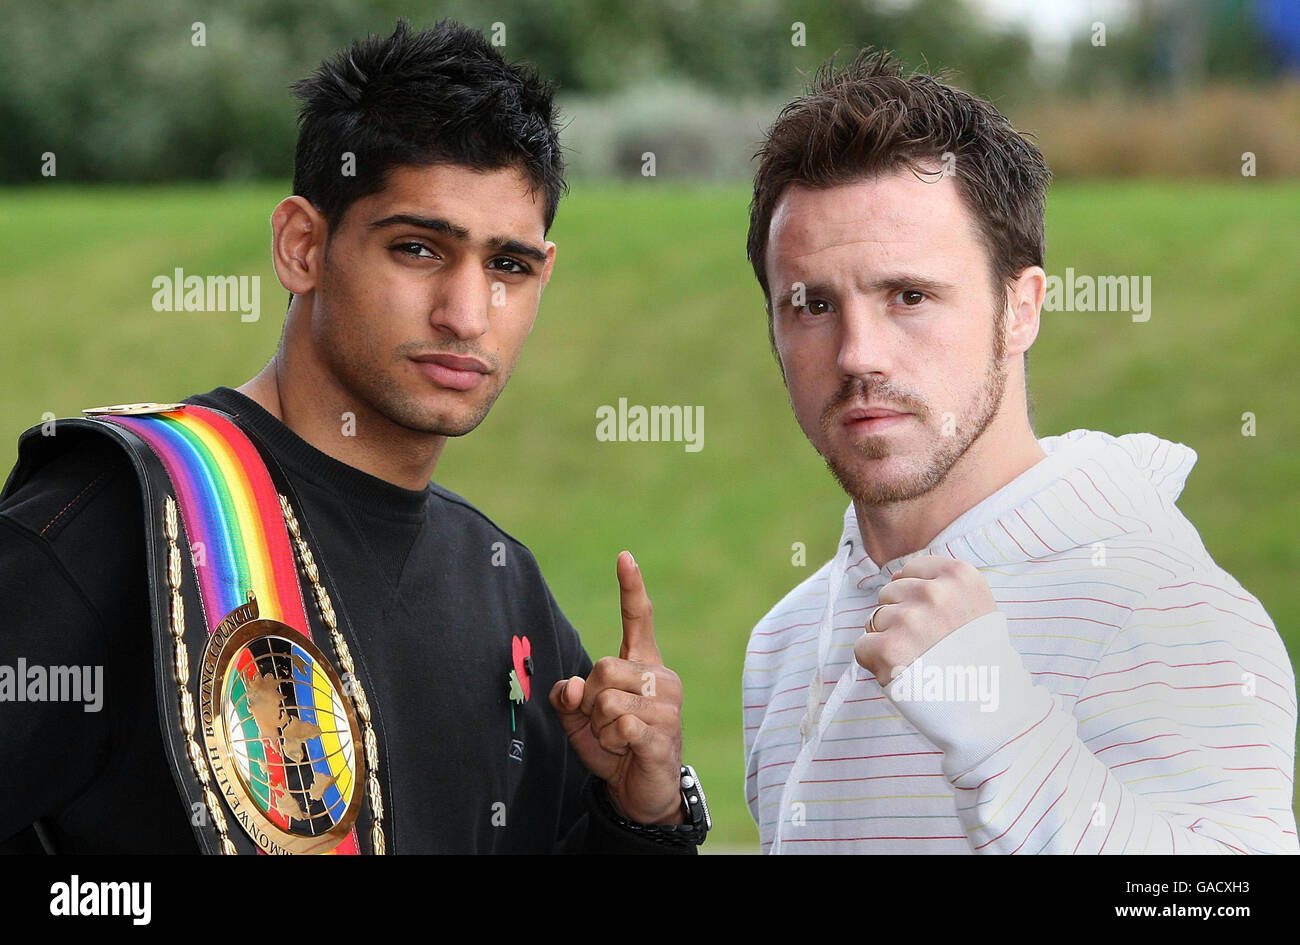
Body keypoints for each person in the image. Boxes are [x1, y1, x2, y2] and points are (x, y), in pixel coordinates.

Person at [0, 19, 707, 854]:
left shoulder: (508, 590)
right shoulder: (113, 521)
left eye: (507, 267)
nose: (467, 313)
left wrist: (641, 813)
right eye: (417, 248)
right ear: (303, 245)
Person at [741, 49, 1296, 854]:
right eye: (813, 304)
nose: (859, 353)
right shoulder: (783, 643)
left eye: (910, 296)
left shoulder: (1163, 604)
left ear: (1022, 308)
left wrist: (1003, 731)